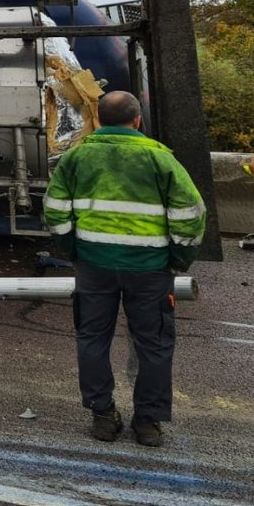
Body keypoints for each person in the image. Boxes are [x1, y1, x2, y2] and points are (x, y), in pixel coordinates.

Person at [42, 90, 207, 447]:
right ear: (137, 120)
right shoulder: (160, 159)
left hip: (94, 266)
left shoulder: (76, 157)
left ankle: (103, 416)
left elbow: (54, 209)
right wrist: (179, 259)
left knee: (92, 340)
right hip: (149, 269)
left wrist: (74, 249)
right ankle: (147, 423)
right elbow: (191, 213)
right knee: (154, 345)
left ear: (98, 120)